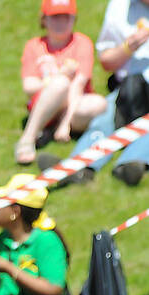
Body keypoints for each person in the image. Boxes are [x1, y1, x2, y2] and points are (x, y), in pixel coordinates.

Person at [44, 0, 149, 185]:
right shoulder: (119, 6)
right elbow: (106, 62)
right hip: (127, 88)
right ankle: (78, 168)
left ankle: (130, 165)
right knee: (104, 115)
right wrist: (127, 48)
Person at [16, 0, 106, 165]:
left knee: (100, 103)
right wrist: (57, 77)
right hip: (45, 103)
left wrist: (66, 122)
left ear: (74, 19)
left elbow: (79, 84)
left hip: (75, 106)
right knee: (61, 84)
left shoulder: (82, 42)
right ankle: (27, 139)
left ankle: (53, 128)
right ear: (44, 20)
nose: (61, 23)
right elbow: (28, 86)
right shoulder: (34, 46)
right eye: (55, 17)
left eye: (66, 17)